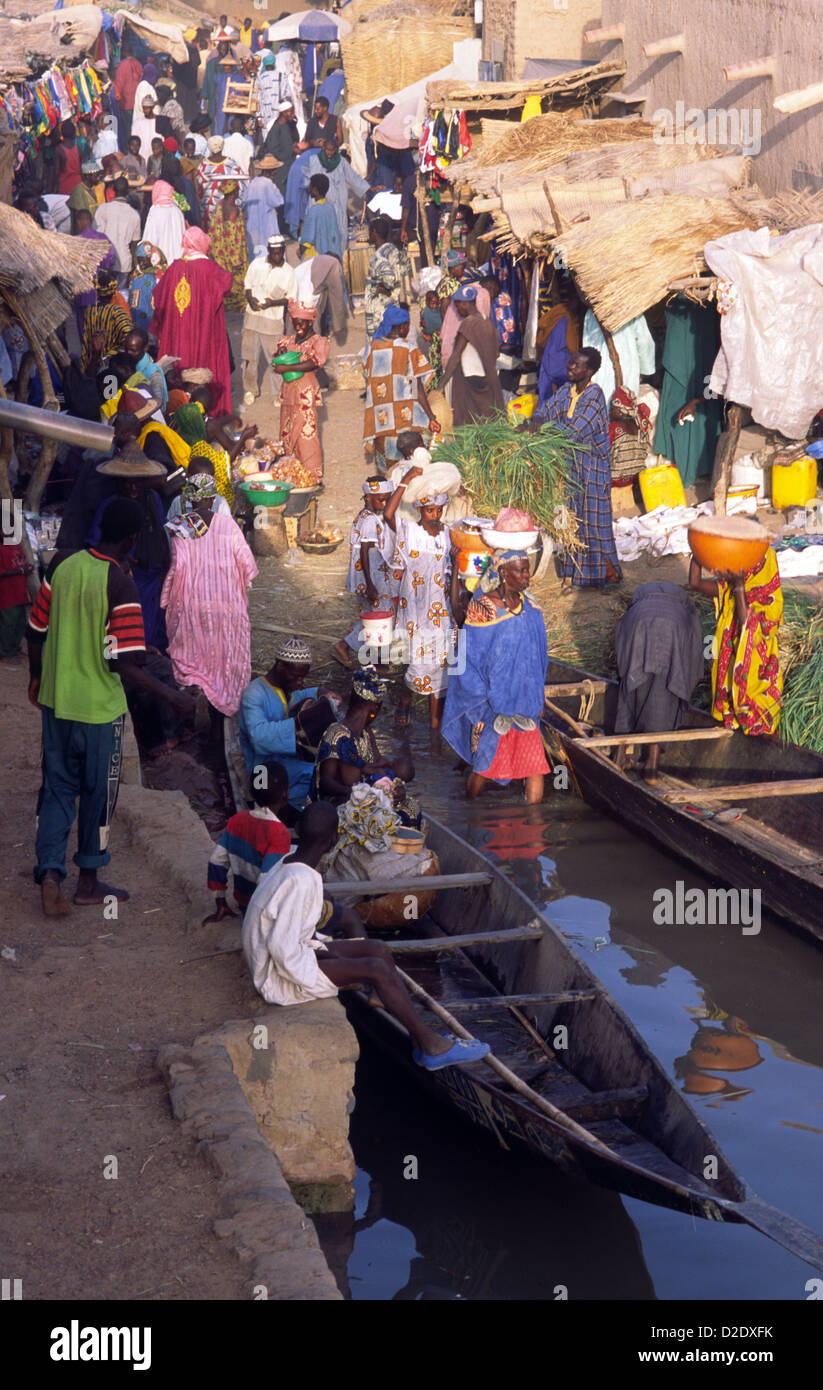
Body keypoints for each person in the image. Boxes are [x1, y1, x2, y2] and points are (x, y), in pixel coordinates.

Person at [27, 496, 193, 916]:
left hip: (57, 701)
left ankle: (49, 872)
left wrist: (36, 676)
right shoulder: (121, 584)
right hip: (99, 712)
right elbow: (124, 664)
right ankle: (88, 881)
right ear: (133, 538)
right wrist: (173, 696)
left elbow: (36, 628)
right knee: (98, 796)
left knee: (57, 788)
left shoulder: (62, 564)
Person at [241, 801, 490, 1072]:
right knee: (375, 969)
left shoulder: (288, 861)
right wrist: (322, 967)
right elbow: (281, 948)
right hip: (276, 974)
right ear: (334, 840)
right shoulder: (301, 881)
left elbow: (288, 936)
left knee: (378, 949)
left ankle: (397, 1015)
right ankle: (430, 1045)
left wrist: (326, 953)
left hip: (290, 954)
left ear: (298, 828)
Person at [443, 551, 550, 803]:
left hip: (525, 704)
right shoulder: (483, 608)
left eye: (527, 570)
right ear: (503, 573)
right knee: (483, 768)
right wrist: (483, 697)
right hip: (492, 705)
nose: (527, 576)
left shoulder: (531, 607)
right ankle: (471, 818)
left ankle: (533, 834)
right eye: (521, 571)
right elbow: (468, 655)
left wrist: (538, 695)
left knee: (536, 768)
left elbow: (538, 654)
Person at [161, 475, 258, 718]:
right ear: (213, 498)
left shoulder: (180, 526)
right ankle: (223, 705)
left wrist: (166, 599)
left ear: (189, 499)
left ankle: (199, 693)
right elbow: (248, 566)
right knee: (225, 657)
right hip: (227, 607)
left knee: (196, 657)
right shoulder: (228, 526)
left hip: (193, 605)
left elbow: (176, 568)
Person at [535, 348, 622, 592]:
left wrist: (541, 432)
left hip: (593, 469)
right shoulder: (566, 391)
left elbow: (574, 432)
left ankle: (609, 575)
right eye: (570, 363)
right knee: (571, 521)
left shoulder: (595, 396)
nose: (570, 367)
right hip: (571, 467)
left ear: (589, 371)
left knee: (595, 524)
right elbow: (546, 409)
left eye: (576, 365)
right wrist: (533, 422)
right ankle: (573, 577)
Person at [382, 465, 455, 727]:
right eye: (429, 510)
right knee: (418, 661)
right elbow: (388, 512)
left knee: (442, 659)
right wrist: (406, 480)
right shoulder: (409, 532)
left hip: (442, 607)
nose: (435, 515)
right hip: (414, 608)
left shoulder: (448, 536)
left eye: (438, 510)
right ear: (420, 510)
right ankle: (405, 699)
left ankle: (436, 724)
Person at [613, 581, 705, 782]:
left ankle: (619, 756)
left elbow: (620, 642)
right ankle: (651, 767)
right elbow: (697, 658)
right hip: (673, 633)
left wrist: (625, 668)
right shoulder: (688, 612)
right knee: (665, 696)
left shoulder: (638, 601)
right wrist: (683, 695)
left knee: (628, 688)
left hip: (638, 625)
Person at [688, 547, 783, 737]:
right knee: (727, 714)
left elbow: (747, 622)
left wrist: (740, 586)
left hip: (755, 681)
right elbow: (695, 583)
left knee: (759, 725)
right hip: (729, 675)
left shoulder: (770, 599)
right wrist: (698, 550)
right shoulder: (730, 590)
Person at [237, 635, 338, 811]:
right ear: (280, 665)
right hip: (261, 769)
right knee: (316, 775)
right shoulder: (253, 694)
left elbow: (299, 696)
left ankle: (296, 805)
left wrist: (321, 692)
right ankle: (287, 807)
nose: (300, 683)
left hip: (285, 762)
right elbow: (258, 737)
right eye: (296, 677)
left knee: (325, 771)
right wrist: (299, 726)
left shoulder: (286, 688)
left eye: (303, 678)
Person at [87, 443, 172, 651]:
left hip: (153, 575)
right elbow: (97, 544)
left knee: (152, 631)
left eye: (137, 483)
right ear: (119, 482)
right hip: (128, 577)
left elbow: (161, 534)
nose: (133, 488)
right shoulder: (110, 506)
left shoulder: (153, 500)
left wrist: (166, 565)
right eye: (127, 483)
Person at [150, 227, 234, 415]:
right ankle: (208, 413)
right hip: (204, 333)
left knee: (176, 371)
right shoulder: (210, 269)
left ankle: (173, 411)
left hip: (177, 334)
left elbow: (158, 295)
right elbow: (227, 283)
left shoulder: (174, 268)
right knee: (205, 365)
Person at [309, 666, 414, 802]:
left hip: (365, 795)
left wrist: (396, 788)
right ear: (375, 708)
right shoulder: (337, 734)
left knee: (409, 807)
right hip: (339, 802)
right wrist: (356, 793)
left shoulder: (366, 733)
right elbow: (325, 782)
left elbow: (378, 766)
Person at [205, 759, 292, 920]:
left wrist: (220, 900)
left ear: (251, 792)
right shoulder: (279, 833)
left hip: (243, 903)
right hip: (259, 911)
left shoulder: (237, 820)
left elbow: (216, 861)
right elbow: (268, 881)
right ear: (285, 794)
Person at [362, 305, 438, 475]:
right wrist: (432, 417)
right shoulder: (409, 349)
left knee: (386, 468)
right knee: (414, 467)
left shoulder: (370, 348)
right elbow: (419, 388)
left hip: (381, 422)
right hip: (407, 421)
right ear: (403, 327)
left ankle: (387, 497)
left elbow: (366, 377)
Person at [333, 477, 397, 670]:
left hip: (371, 577)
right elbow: (364, 550)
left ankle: (346, 646)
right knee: (382, 617)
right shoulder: (370, 520)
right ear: (368, 497)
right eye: (381, 500)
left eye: (388, 499)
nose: (385, 504)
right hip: (372, 579)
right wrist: (370, 584)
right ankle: (376, 661)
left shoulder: (365, 515)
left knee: (373, 615)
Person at [273, 301, 329, 481]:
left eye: (302, 323)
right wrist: (280, 355)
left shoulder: (318, 342)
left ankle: (312, 476)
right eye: (295, 322)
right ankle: (291, 473)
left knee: (306, 435)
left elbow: (314, 363)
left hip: (306, 394)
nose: (298, 326)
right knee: (286, 432)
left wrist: (287, 369)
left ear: (310, 322)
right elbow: (277, 361)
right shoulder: (287, 341)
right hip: (288, 393)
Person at [241, 234, 296, 406]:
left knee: (276, 360)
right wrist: (250, 300)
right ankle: (250, 390)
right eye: (274, 252)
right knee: (249, 358)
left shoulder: (289, 272)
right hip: (252, 319)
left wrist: (273, 303)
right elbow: (247, 285)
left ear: (284, 251)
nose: (277, 255)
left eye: (280, 252)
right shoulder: (256, 264)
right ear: (269, 251)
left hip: (272, 322)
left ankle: (277, 394)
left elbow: (290, 298)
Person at [440, 283, 503, 426]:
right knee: (488, 419)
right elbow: (496, 353)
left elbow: (456, 356)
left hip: (471, 380)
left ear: (465, 303)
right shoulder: (487, 323)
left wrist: (441, 385)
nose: (456, 309)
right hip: (488, 379)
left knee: (468, 420)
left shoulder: (468, 324)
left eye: (457, 305)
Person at [302, 139, 369, 250]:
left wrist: (366, 189)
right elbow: (306, 178)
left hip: (337, 203)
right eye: (328, 150)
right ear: (324, 149)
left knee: (338, 230)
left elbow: (352, 177)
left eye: (332, 150)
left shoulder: (341, 162)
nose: (330, 153)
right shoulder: (313, 160)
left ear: (336, 150)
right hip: (319, 202)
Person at [363, 215, 410, 339]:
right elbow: (405, 269)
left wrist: (382, 287)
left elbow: (388, 277)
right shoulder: (393, 249)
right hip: (393, 304)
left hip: (380, 308)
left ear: (374, 233)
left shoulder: (377, 257)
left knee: (379, 342)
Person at [80, 270, 133, 374]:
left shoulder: (90, 311)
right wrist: (116, 350)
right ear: (114, 291)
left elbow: (86, 337)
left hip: (91, 363)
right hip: (109, 365)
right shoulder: (116, 311)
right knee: (109, 389)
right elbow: (129, 333)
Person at [93, 176, 141, 290]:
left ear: (113, 189)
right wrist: (134, 266)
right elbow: (134, 245)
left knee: (104, 298)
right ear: (128, 190)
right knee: (120, 299)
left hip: (105, 262)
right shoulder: (134, 214)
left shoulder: (102, 209)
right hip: (124, 263)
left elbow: (96, 238)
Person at [209, 182, 248, 311]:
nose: (238, 192)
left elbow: (214, 232)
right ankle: (236, 305)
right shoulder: (234, 209)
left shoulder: (219, 206)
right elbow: (235, 236)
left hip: (221, 252)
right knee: (236, 280)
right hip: (233, 253)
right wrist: (237, 258)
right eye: (237, 189)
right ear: (233, 192)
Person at [293, 251, 347, 340]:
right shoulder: (333, 264)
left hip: (293, 301)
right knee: (312, 341)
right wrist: (339, 326)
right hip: (305, 305)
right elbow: (337, 296)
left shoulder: (311, 262)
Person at [241, 154, 284, 258]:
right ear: (270, 170)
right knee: (269, 250)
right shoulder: (268, 184)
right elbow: (279, 201)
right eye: (275, 169)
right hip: (267, 222)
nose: (276, 172)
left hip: (253, 223)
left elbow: (243, 200)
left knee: (255, 251)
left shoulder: (253, 182)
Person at [0, 539, 32, 660]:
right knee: (8, 625)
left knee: (20, 623)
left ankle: (14, 648)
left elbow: (21, 562)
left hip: (19, 593)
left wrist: (26, 568)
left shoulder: (16, 545)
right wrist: (21, 570)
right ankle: (5, 652)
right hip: (6, 595)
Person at [264, 102, 300, 210]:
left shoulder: (289, 125)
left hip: (289, 165)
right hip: (280, 169)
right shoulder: (276, 128)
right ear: (284, 113)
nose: (293, 114)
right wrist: (291, 150)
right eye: (291, 112)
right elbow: (273, 150)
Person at [127, 240, 167, 335]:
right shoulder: (136, 274)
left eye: (143, 260)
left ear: (152, 258)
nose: (141, 264)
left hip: (154, 321)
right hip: (136, 320)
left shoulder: (161, 275)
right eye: (138, 260)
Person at [300, 173, 342, 260]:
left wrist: (300, 251)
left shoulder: (314, 210)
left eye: (310, 186)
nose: (309, 189)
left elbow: (308, 239)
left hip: (316, 255)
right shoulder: (330, 207)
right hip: (332, 254)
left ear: (315, 190)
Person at [114, 55, 143, 146]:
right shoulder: (138, 64)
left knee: (127, 130)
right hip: (136, 102)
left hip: (125, 104)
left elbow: (119, 84)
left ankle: (128, 149)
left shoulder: (122, 65)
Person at [68, 161, 103, 231]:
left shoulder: (97, 187)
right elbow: (77, 218)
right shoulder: (78, 191)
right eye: (96, 176)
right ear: (87, 176)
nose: (98, 178)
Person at [56, 121, 83, 196]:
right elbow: (83, 170)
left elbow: (56, 172)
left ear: (62, 133)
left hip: (65, 187)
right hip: (79, 186)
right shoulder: (78, 149)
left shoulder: (59, 150)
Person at [419, 290, 443, 355]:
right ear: (427, 302)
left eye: (437, 303)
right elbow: (422, 324)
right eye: (433, 303)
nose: (435, 306)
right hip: (430, 340)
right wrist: (426, 334)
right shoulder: (426, 312)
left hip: (441, 339)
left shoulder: (439, 310)